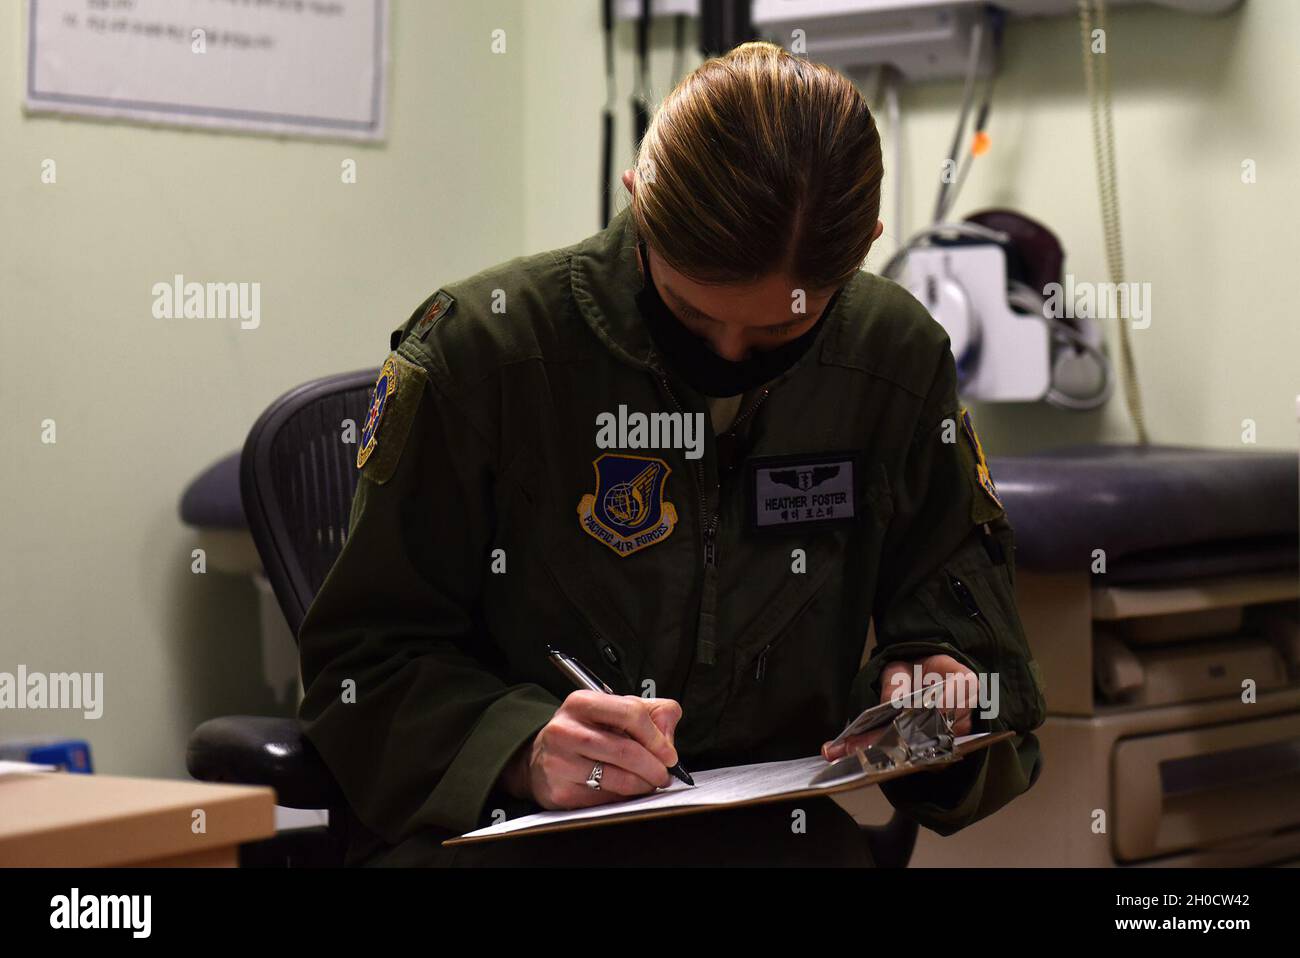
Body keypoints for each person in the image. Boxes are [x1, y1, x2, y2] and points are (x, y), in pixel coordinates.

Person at [298, 41, 1047, 867]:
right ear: (636, 199)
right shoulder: (484, 355)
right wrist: (517, 745)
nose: (729, 353)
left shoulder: (889, 357)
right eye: (692, 315)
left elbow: (978, 648)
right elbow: (358, 672)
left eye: (780, 330)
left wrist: (932, 693)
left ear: (865, 245)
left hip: (774, 843)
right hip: (519, 840)